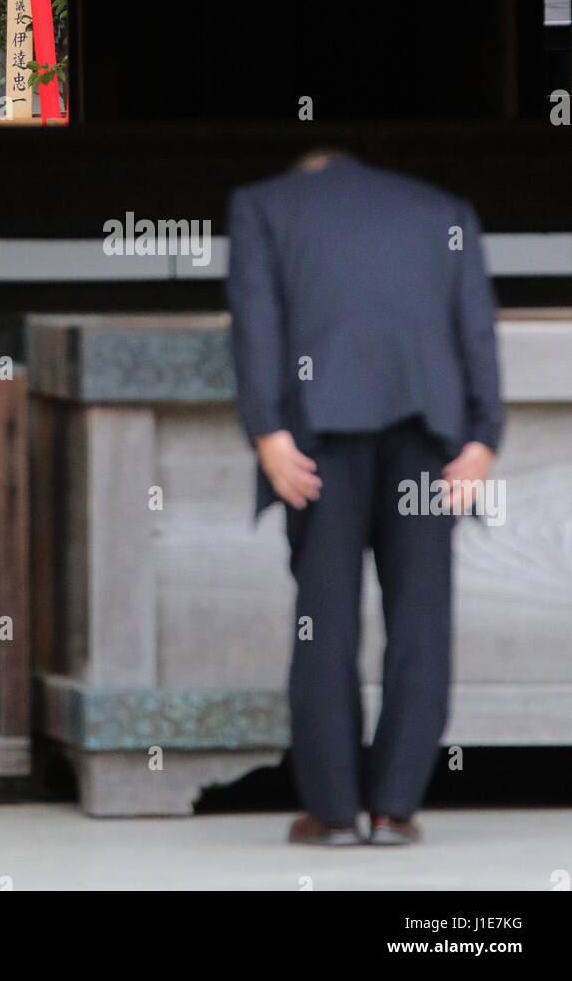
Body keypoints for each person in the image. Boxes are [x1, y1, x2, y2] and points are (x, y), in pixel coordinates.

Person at [227, 149, 503, 846]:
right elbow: (476, 325)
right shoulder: (442, 210)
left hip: (321, 439)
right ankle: (393, 810)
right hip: (429, 437)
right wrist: (482, 437)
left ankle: (332, 813)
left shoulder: (264, 206)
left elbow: (254, 322)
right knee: (421, 616)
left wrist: (266, 430)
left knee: (323, 618)